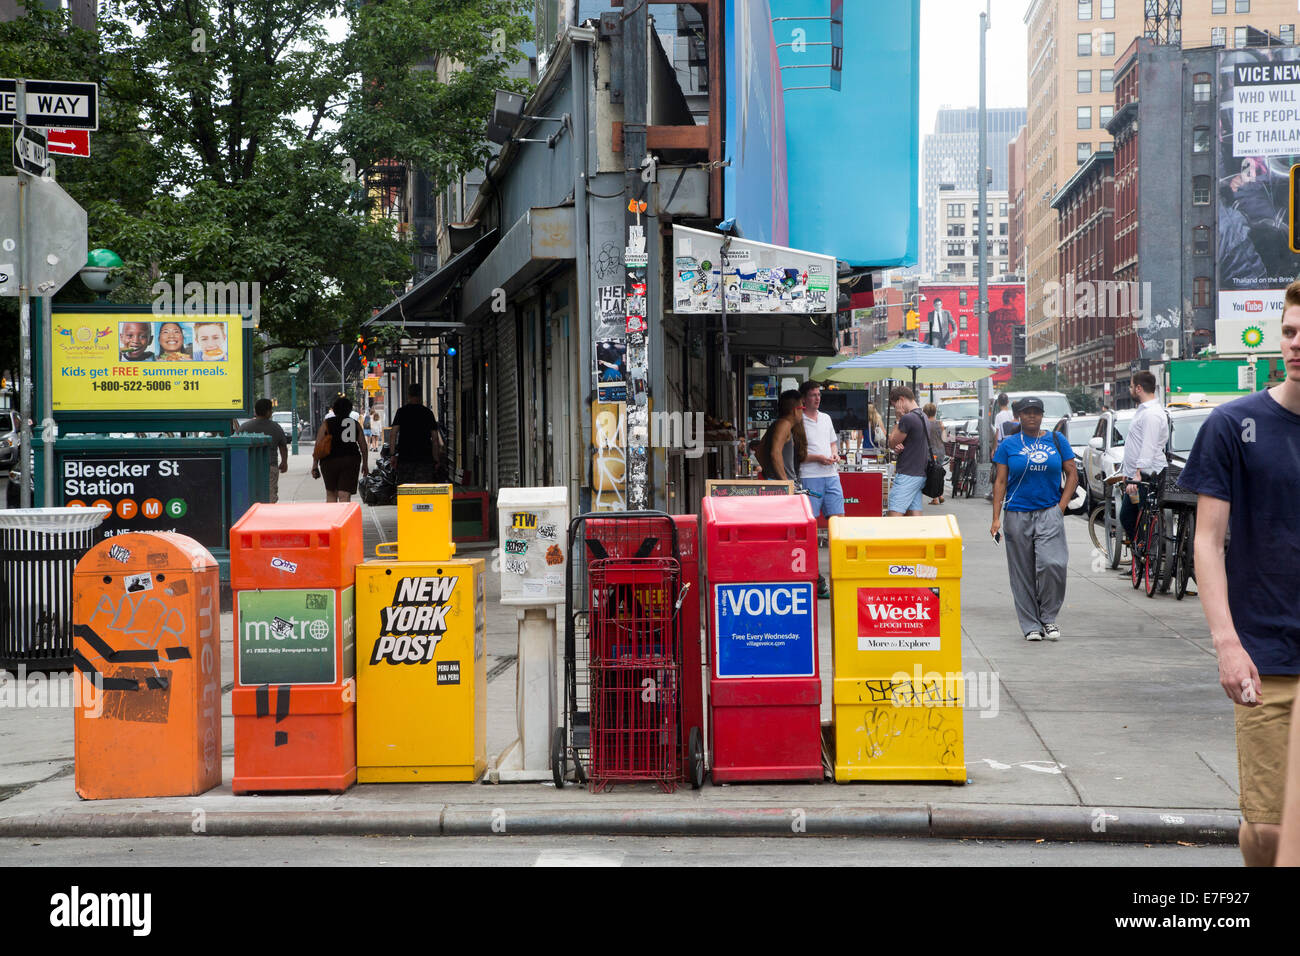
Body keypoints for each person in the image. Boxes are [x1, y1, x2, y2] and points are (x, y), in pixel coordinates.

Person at [1178, 278, 1300, 867]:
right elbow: (1207, 542)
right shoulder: (1232, 426)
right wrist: (1227, 644)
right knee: (1271, 830)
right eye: (1291, 332)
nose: (1296, 345)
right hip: (1267, 655)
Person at [989, 397, 1078, 642]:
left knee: (1053, 564)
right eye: (1026, 412)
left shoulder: (1057, 440)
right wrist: (996, 518)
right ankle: (1031, 625)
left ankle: (1048, 618)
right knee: (1022, 572)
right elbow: (1000, 482)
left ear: (1042, 415)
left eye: (1036, 412)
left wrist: (1061, 507)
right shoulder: (1009, 445)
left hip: (1049, 511)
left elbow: (1072, 474)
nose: (1031, 416)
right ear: (1018, 416)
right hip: (1017, 513)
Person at [800, 380, 844, 598]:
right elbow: (797, 455)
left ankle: (840, 572)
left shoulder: (826, 418)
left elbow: (833, 442)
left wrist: (834, 454)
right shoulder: (798, 421)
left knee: (839, 523)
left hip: (832, 475)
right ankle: (815, 577)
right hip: (810, 476)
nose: (817, 398)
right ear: (804, 398)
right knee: (811, 528)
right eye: (813, 395)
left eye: (819, 394)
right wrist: (817, 457)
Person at [1118, 370, 1169, 548]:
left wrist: (1138, 474)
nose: (1130, 390)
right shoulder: (1143, 411)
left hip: (1147, 475)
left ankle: (1148, 557)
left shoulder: (1152, 414)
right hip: (1137, 474)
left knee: (1139, 517)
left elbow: (1148, 445)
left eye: (1131, 386)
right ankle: (1140, 557)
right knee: (1131, 517)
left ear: (1139, 388)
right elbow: (1134, 444)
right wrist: (1127, 472)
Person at [312, 396, 368, 502]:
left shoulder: (327, 423)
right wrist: (365, 464)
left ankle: (332, 518)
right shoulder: (354, 424)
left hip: (329, 461)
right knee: (344, 494)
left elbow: (318, 445)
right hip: (350, 460)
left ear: (334, 409)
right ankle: (344, 517)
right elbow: (363, 446)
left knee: (331, 494)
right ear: (349, 410)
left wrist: (315, 465)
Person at [884, 386, 929, 517]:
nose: (895, 409)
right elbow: (912, 442)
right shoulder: (923, 416)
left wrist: (898, 418)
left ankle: (894, 538)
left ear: (901, 400)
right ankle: (919, 538)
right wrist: (900, 446)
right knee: (914, 514)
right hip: (920, 473)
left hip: (907, 473)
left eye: (894, 405)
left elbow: (892, 442)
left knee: (894, 514)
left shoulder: (907, 418)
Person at [390, 383, 444, 486]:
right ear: (421, 395)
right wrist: (436, 459)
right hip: (425, 460)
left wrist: (392, 455)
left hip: (405, 459)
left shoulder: (401, 412)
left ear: (408, 395)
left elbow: (393, 434)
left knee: (405, 494)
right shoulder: (428, 413)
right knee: (423, 493)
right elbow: (435, 439)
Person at [240, 398, 289, 502]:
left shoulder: (244, 427)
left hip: (250, 467)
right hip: (270, 466)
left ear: (255, 411)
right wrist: (284, 462)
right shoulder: (275, 427)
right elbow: (283, 446)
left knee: (251, 494)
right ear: (268, 412)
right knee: (270, 495)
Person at [757, 390, 806, 485]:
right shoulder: (784, 424)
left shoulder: (776, 424)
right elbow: (775, 453)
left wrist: (769, 474)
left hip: (776, 483)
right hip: (784, 484)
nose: (803, 412)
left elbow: (759, 452)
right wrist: (785, 482)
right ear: (795, 410)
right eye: (802, 408)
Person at [922, 403, 945, 505]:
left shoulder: (924, 424)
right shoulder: (940, 424)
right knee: (938, 472)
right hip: (940, 451)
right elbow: (945, 438)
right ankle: (939, 495)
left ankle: (935, 498)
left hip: (929, 452)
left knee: (931, 473)